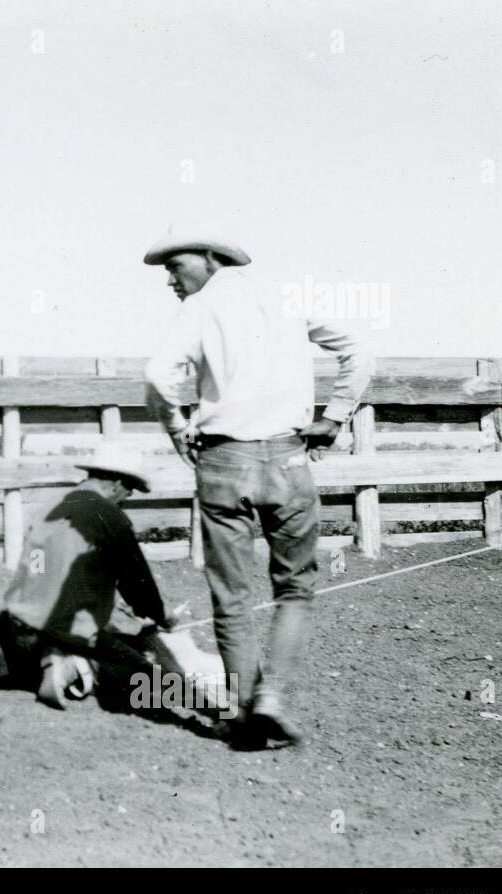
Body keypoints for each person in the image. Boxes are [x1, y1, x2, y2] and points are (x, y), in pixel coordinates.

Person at [142, 223, 374, 747]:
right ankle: (272, 696)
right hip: (290, 460)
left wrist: (179, 428)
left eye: (175, 267)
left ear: (208, 258)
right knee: (295, 586)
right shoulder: (286, 299)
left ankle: (244, 711)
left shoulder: (199, 310)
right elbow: (358, 348)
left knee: (232, 594)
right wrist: (336, 416)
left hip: (224, 460)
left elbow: (159, 376)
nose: (170, 281)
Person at [0, 444, 171, 710]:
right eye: (129, 489)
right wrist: (159, 616)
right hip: (65, 625)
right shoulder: (111, 516)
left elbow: (38, 565)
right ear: (116, 483)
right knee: (146, 676)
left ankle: (56, 655)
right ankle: (73, 665)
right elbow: (137, 582)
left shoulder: (50, 506)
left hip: (19, 618)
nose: (128, 497)